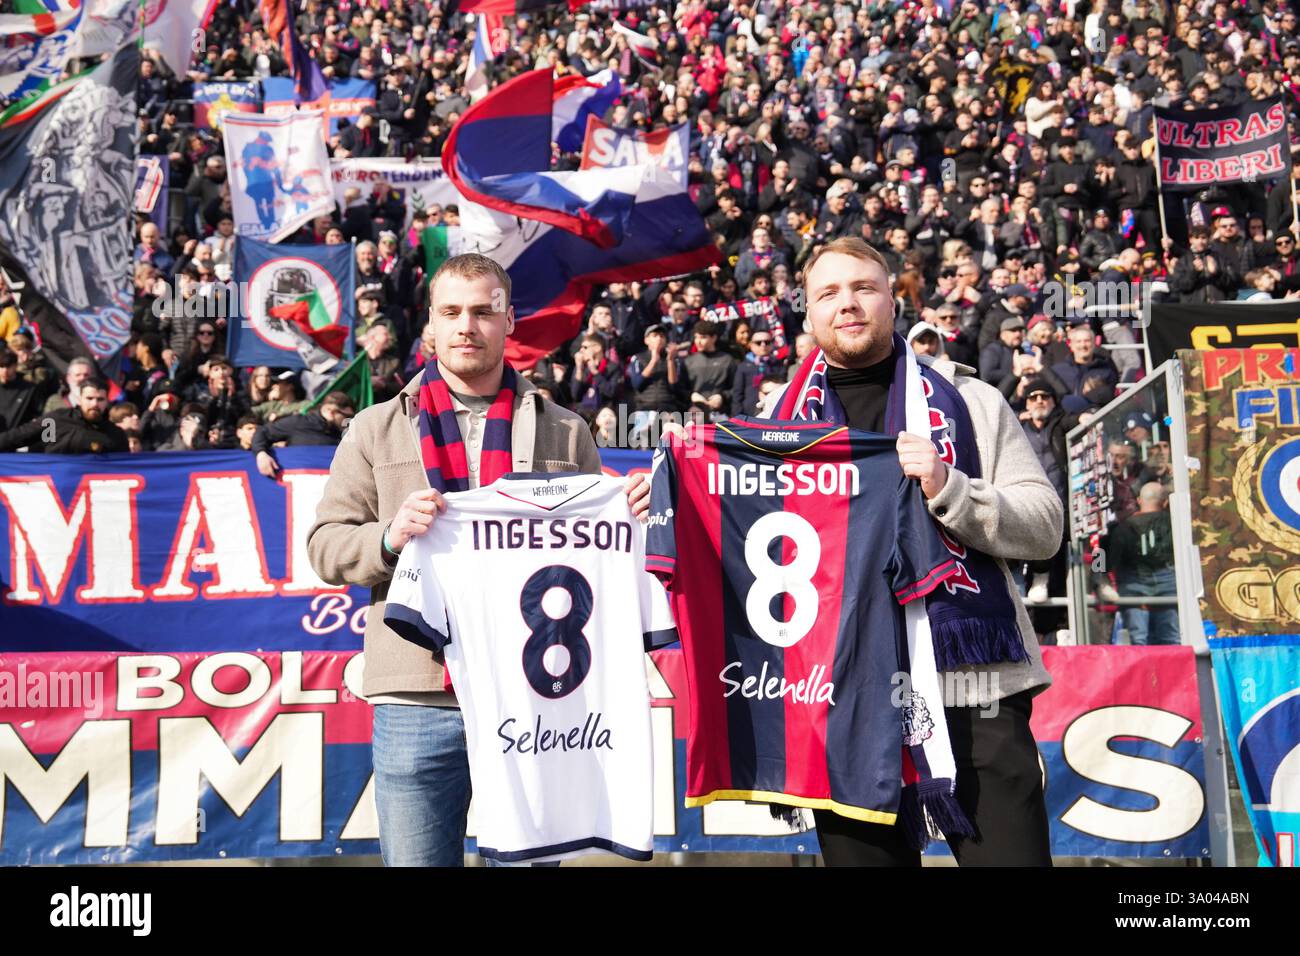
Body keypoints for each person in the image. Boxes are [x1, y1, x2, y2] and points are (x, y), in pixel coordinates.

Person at [306, 253, 649, 868]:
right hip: (417, 694)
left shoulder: (566, 431)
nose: (468, 325)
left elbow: (596, 555)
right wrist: (389, 538)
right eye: (452, 312)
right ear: (430, 325)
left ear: (509, 320)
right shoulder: (374, 428)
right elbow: (325, 546)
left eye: (484, 311)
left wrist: (636, 516)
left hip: (536, 701)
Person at [761, 237, 1061, 866]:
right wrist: (665, 501)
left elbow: (1045, 527)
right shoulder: (772, 430)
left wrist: (951, 487)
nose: (848, 304)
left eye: (864, 288)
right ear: (809, 315)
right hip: (840, 696)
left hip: (974, 689)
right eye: (829, 294)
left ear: (893, 301)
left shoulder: (971, 400)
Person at [1109, 481, 1179, 645]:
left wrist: (1099, 576)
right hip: (1168, 581)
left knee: (1137, 640)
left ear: (1139, 501)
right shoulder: (1174, 523)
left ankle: (1143, 672)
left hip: (1134, 585)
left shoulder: (1122, 528)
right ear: (1165, 502)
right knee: (1171, 638)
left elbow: (1108, 560)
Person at [0, 379, 128, 454]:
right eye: (89, 398)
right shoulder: (55, 421)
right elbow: (19, 436)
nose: (94, 404)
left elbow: (124, 469)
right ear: (80, 399)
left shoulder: (115, 435)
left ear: (107, 401)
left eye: (100, 399)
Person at [253, 391, 357, 477]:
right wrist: (261, 454)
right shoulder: (299, 422)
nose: (349, 420)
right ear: (330, 411)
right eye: (346, 416)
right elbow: (263, 432)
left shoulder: (345, 435)